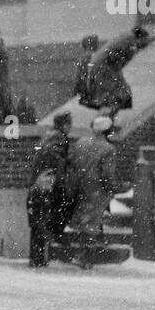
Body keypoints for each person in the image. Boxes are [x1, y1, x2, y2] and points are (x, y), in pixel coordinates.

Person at [65, 115, 118, 270]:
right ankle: (85, 257)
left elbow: (72, 163)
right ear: (106, 131)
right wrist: (111, 189)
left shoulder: (80, 143)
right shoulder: (108, 149)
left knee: (82, 222)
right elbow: (107, 174)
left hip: (79, 186)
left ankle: (79, 252)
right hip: (96, 189)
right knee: (92, 224)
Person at [27, 111, 72, 268]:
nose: (70, 127)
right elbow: (57, 162)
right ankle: (40, 258)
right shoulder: (59, 138)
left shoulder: (47, 136)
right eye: (69, 123)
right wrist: (60, 182)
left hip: (37, 183)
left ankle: (36, 257)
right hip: (46, 183)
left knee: (37, 222)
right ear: (64, 124)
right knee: (45, 219)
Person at [88, 25, 152, 115]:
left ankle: (105, 121)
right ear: (140, 38)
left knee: (118, 94)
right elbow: (118, 58)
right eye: (143, 41)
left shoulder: (126, 38)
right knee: (116, 95)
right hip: (103, 68)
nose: (143, 44)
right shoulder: (129, 41)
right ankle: (104, 122)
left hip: (100, 67)